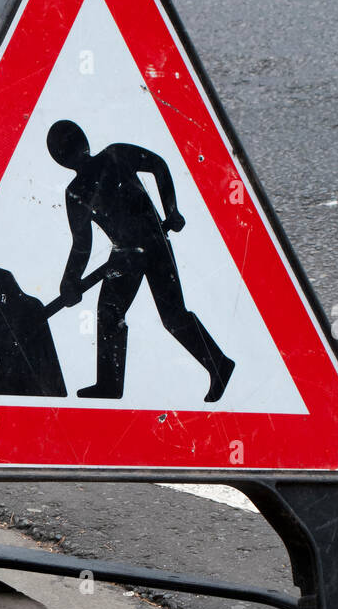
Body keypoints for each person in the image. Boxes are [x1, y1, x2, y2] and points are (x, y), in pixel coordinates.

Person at [47, 120, 235, 402]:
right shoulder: (78, 190)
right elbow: (82, 244)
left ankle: (219, 364)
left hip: (153, 242)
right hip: (125, 254)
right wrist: (69, 280)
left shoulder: (114, 155)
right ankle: (109, 385)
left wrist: (171, 210)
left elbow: (158, 165)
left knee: (171, 316)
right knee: (112, 312)